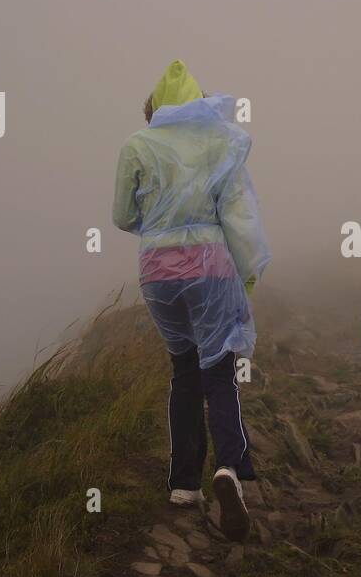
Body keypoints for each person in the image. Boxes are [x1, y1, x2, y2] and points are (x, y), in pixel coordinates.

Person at [112, 59, 270, 541]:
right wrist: (248, 275)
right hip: (211, 267)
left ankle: (183, 485)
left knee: (183, 371)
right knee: (219, 371)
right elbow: (239, 219)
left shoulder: (137, 145)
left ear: (155, 109)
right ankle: (228, 469)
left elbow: (122, 215)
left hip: (157, 272)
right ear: (200, 102)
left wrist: (160, 225)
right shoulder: (220, 142)